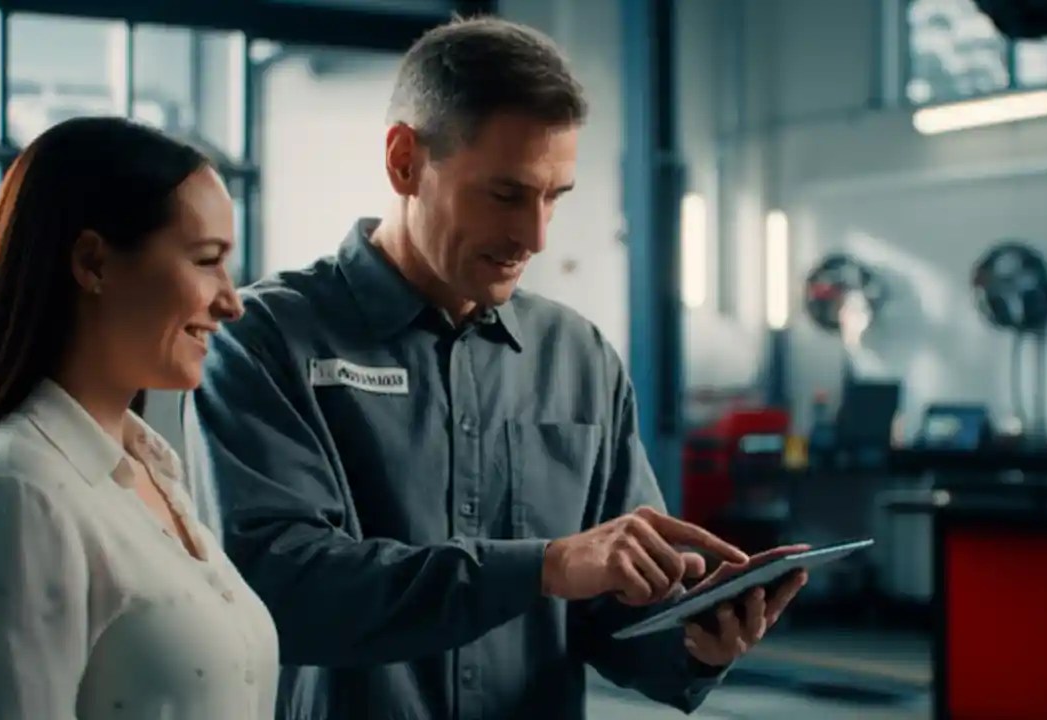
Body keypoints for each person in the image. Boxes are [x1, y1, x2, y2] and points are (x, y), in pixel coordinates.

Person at [183, 16, 807, 720]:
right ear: (404, 162)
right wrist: (541, 567)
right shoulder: (266, 340)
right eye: (506, 195)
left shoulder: (580, 361)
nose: (535, 237)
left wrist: (699, 644)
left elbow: (616, 621)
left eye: (554, 197)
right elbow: (282, 590)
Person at [0, 117, 280, 718]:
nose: (231, 301)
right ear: (93, 263)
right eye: (207, 260)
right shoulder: (15, 489)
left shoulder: (153, 472)